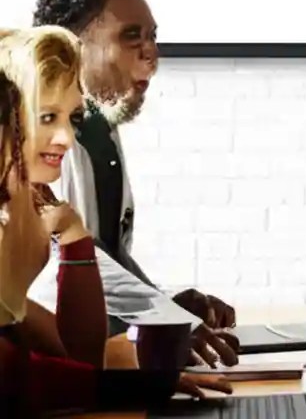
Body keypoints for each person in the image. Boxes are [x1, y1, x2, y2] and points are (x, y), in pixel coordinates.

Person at [0, 26, 230, 415]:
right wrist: (138, 386)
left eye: (72, 117)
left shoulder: (28, 210)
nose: (66, 137)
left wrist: (73, 234)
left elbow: (76, 358)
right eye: (47, 117)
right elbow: (15, 380)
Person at [29, 0, 237, 368]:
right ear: (71, 46)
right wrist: (164, 316)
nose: (151, 54)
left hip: (94, 356)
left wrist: (165, 303)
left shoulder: (100, 127)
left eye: (152, 37)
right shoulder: (41, 141)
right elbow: (66, 263)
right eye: (131, 37)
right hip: (59, 360)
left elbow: (108, 255)